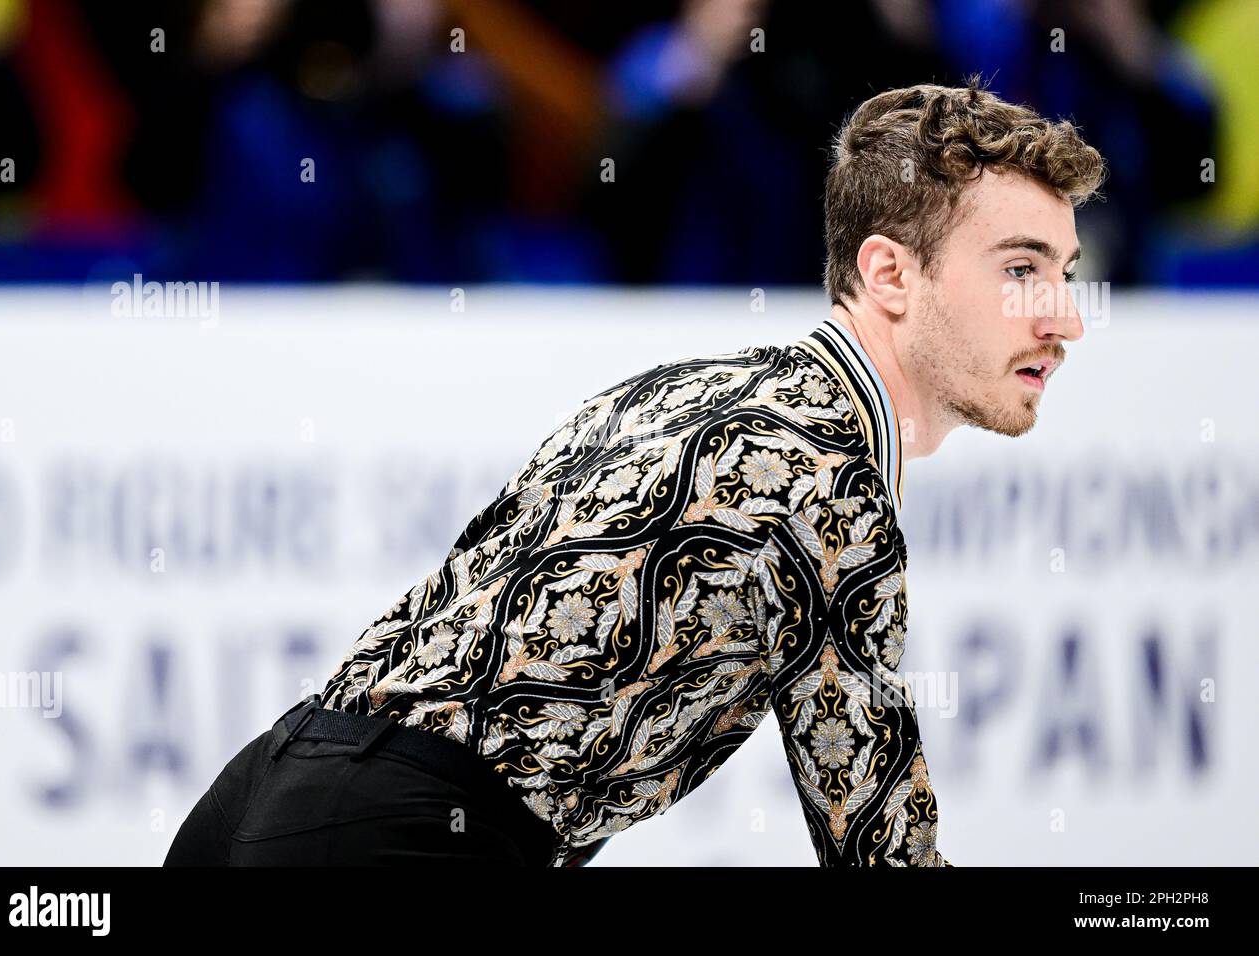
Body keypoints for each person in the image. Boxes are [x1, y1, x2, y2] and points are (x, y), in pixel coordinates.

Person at [166, 76, 1105, 867]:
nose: (1063, 317)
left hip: (260, 793)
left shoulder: (682, 387)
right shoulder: (832, 484)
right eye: (1020, 270)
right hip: (395, 838)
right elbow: (881, 848)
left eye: (1065, 271)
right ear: (891, 275)